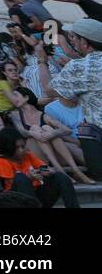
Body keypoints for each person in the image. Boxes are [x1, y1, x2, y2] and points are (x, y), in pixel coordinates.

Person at [48, 18, 102, 180]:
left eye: (74, 38)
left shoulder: (78, 66)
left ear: (85, 42)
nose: (72, 42)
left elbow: (49, 90)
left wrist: (42, 60)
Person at [0, 128, 79, 208]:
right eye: (16, 148)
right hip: (16, 199)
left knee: (60, 177)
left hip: (36, 195)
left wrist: (46, 172)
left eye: (23, 146)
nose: (21, 150)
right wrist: (29, 177)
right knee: (21, 178)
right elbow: (13, 182)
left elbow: (43, 166)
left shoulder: (27, 155)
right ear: (8, 147)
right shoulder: (1, 160)